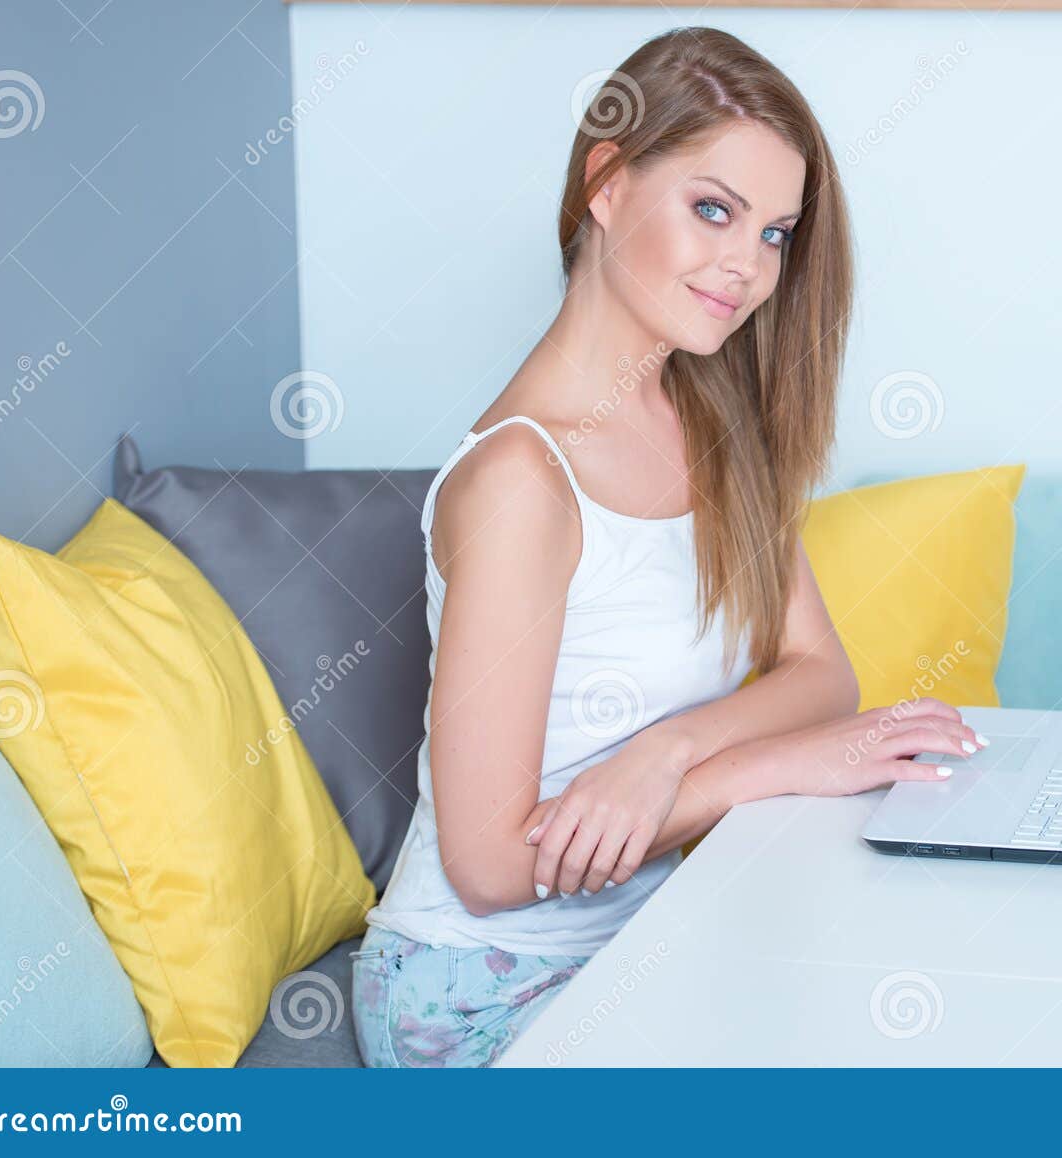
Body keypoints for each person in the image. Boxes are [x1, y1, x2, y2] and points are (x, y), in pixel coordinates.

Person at [350, 25, 985, 1069]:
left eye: (775, 234)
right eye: (713, 209)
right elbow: (489, 864)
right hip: (476, 992)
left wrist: (664, 753)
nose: (747, 266)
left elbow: (824, 675)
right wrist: (764, 767)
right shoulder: (523, 481)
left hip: (656, 944)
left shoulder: (715, 426)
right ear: (605, 183)